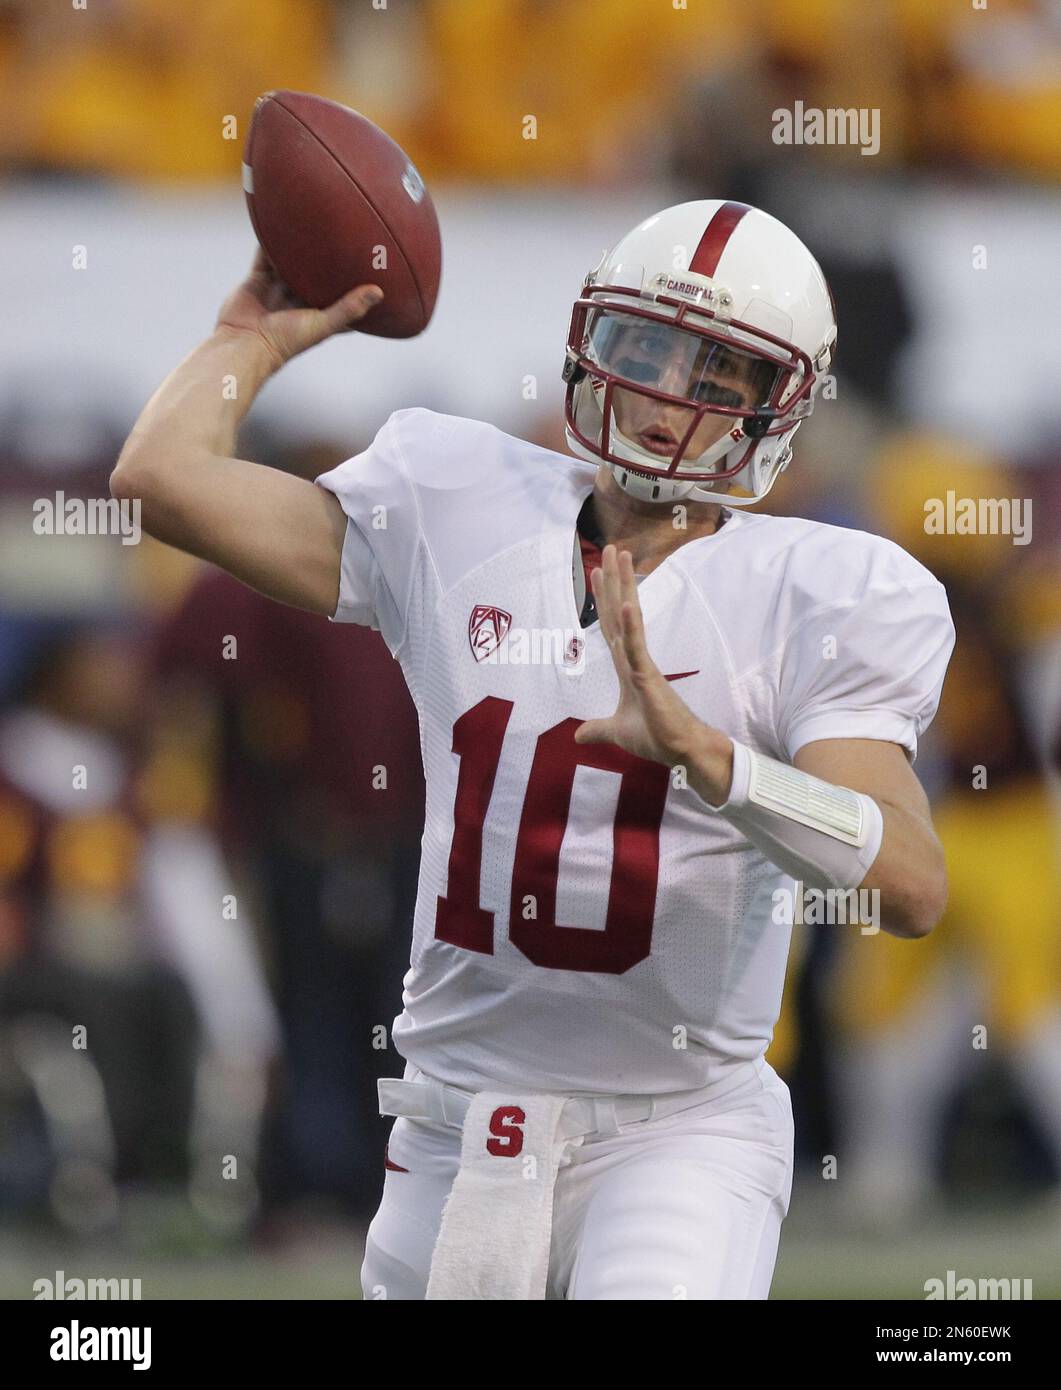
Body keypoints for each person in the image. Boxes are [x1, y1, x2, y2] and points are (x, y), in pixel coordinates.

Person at [111, 199, 955, 1300]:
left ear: (772, 408)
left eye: (713, 372)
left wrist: (711, 759)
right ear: (587, 338)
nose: (660, 389)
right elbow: (160, 481)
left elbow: (908, 880)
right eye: (642, 342)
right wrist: (249, 339)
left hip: (674, 1131)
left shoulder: (819, 590)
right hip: (457, 1115)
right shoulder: (455, 498)